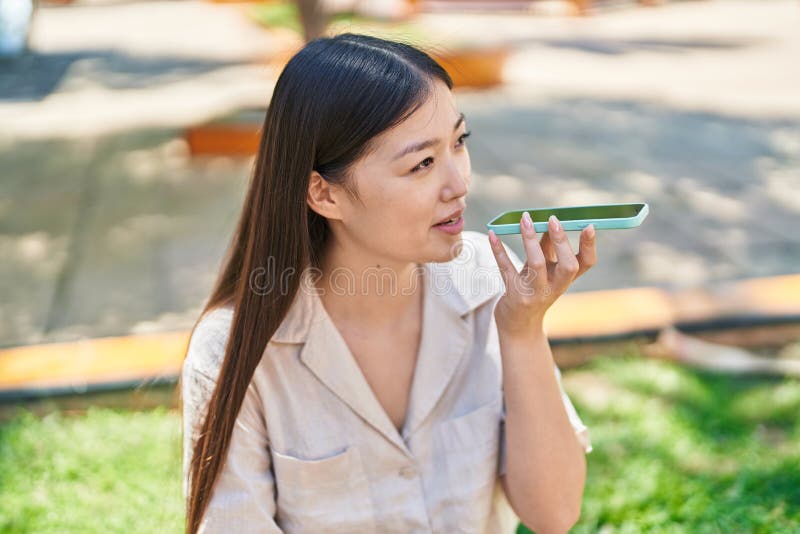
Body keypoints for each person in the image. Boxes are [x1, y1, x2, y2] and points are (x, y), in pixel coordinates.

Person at [180, 32, 596, 534]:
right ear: (324, 194)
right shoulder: (232, 351)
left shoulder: (491, 280)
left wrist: (523, 330)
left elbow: (553, 515)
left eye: (459, 144)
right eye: (421, 163)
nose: (460, 183)